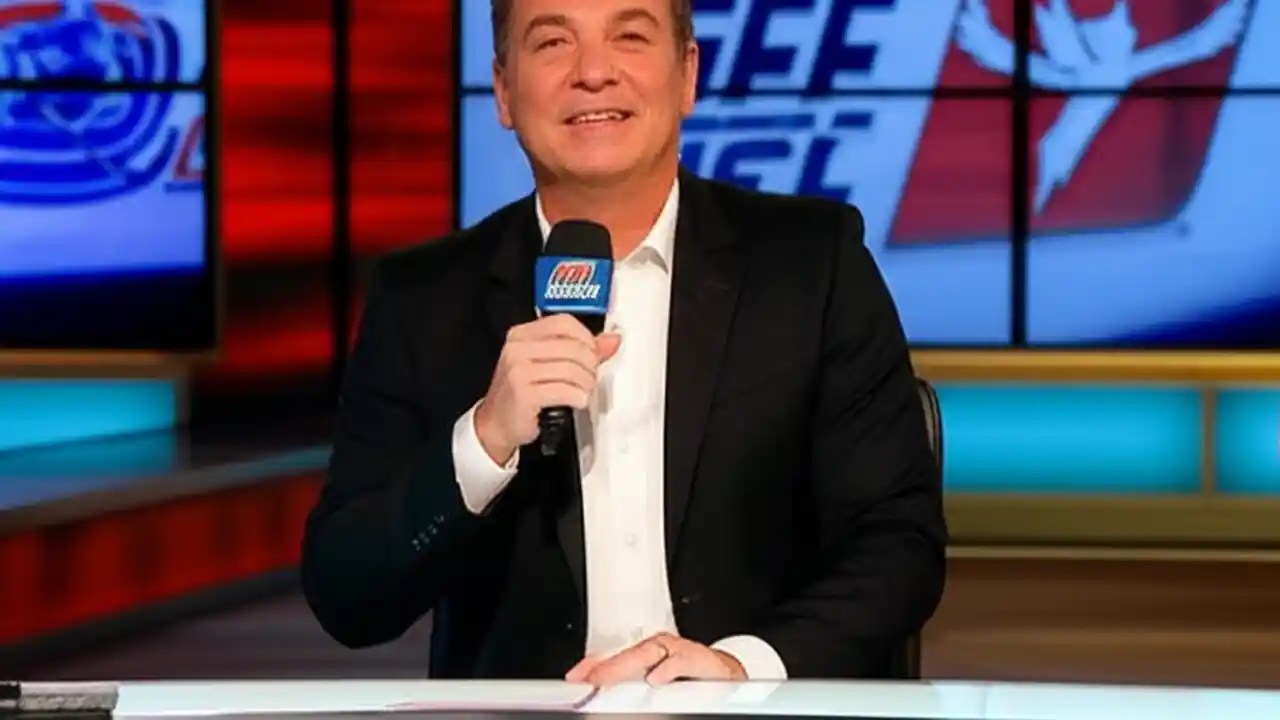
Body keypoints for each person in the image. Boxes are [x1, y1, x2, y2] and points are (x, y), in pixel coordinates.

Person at [301, 0, 947, 684]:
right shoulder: (422, 299)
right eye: (553, 42)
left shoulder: (812, 264)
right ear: (504, 90)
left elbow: (897, 547)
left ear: (687, 74)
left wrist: (741, 670)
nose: (594, 72)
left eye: (630, 36)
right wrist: (483, 442)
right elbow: (347, 596)